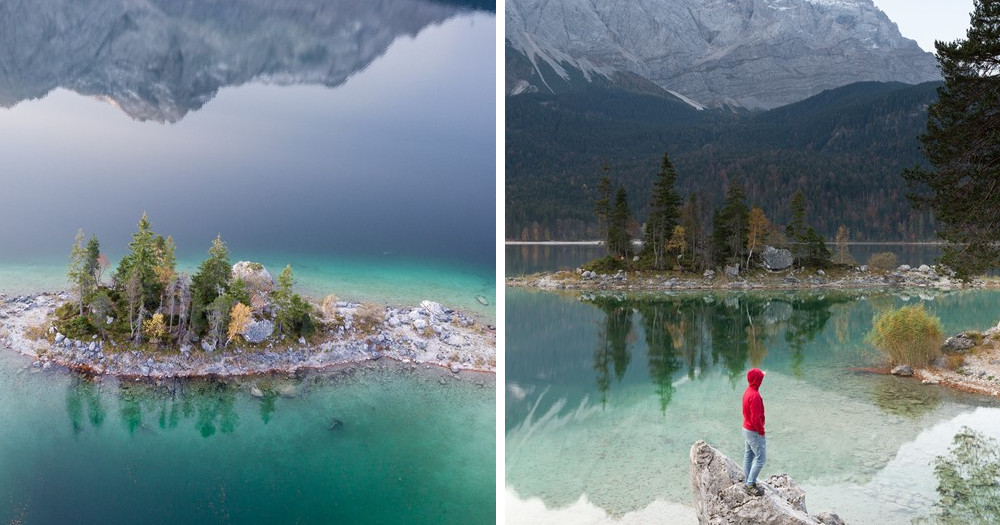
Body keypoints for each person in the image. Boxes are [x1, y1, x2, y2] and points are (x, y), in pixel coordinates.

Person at [742, 368, 766, 496]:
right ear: (758, 380)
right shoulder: (755, 396)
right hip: (753, 431)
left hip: (746, 428)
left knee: (748, 456)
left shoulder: (748, 392)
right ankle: (750, 484)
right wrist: (761, 431)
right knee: (761, 459)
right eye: (761, 377)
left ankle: (748, 481)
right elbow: (756, 418)